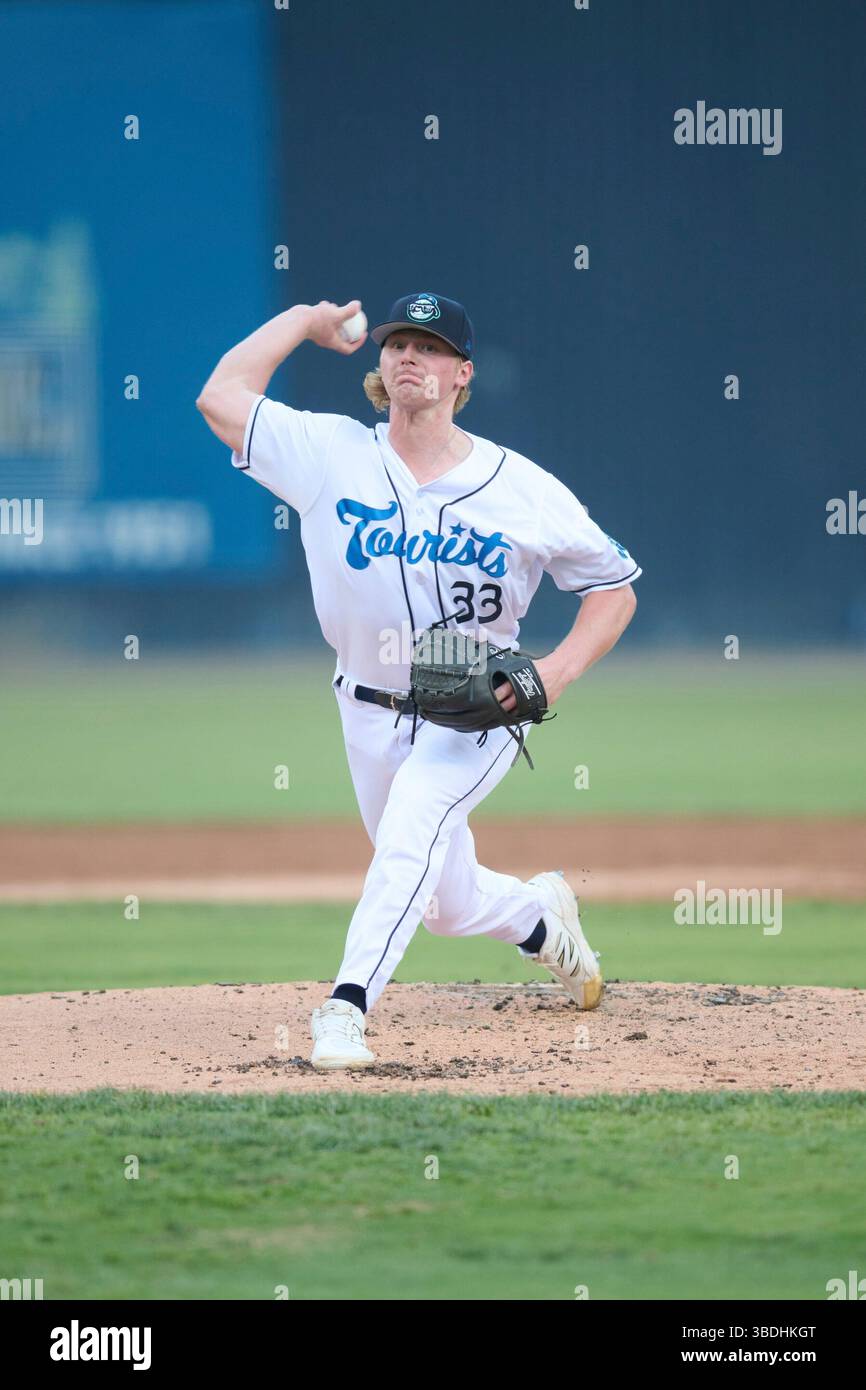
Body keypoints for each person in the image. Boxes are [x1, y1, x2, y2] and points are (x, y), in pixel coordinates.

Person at [196, 291, 641, 1070]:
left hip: (478, 711)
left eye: (431, 347)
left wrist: (556, 673)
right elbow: (221, 396)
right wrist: (306, 320)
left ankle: (344, 1008)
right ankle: (542, 916)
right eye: (399, 342)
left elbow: (615, 589)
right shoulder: (329, 454)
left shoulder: (522, 488)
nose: (411, 356)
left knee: (411, 831)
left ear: (462, 373)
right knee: (443, 901)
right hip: (365, 707)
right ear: (380, 363)